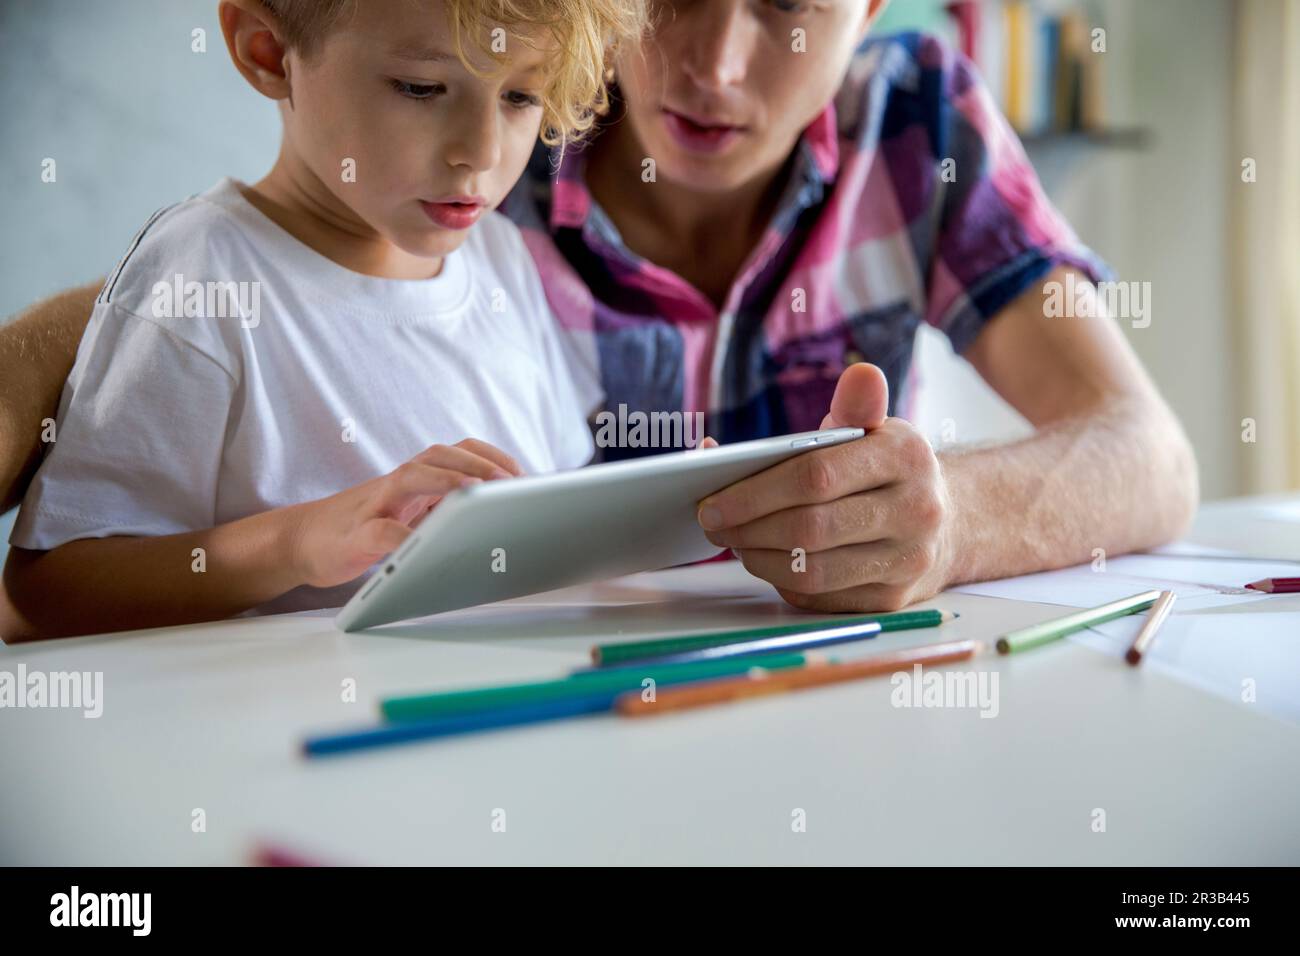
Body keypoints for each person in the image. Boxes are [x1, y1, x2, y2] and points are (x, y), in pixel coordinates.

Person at [1, 0, 1198, 633]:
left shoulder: (917, 118)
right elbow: (261, 278)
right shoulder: (479, 167)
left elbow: (1146, 452)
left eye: (785, 1)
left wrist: (941, 524)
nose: (715, 65)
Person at [0, 0, 647, 641]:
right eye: (421, 88)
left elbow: (559, 510)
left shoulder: (502, 259)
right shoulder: (206, 275)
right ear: (267, 52)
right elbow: (42, 597)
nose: (479, 153)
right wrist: (300, 540)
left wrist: (677, 505)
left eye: (520, 96)